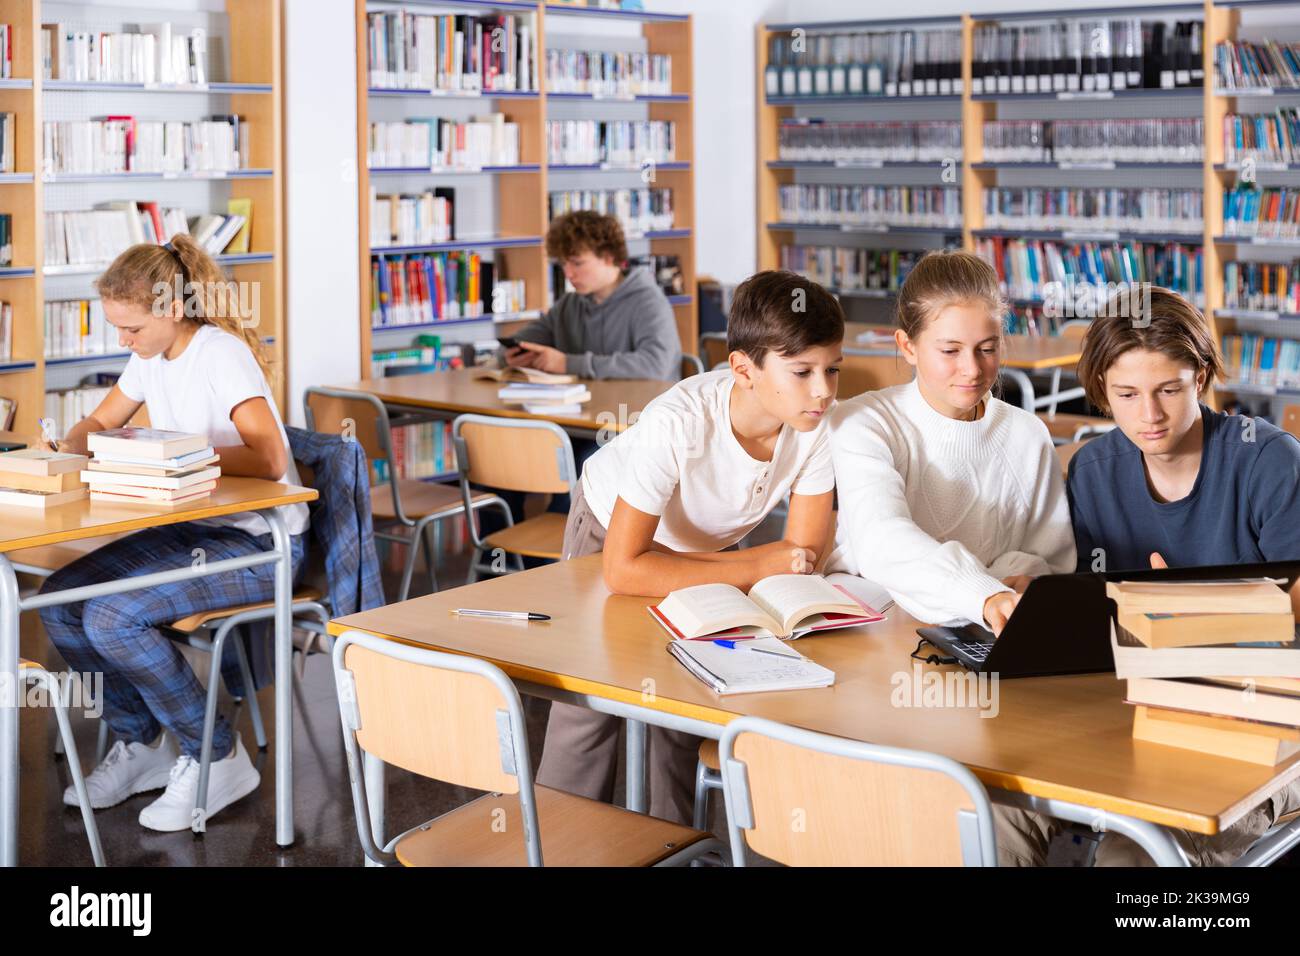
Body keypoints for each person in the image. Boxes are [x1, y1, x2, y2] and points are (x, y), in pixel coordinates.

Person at [537, 270, 843, 823]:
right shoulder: (676, 423)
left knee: (683, 692)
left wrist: (747, 566)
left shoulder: (817, 424)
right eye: (802, 372)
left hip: (710, 553)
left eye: (831, 369)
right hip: (613, 534)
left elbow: (803, 555)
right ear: (744, 370)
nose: (823, 389)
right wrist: (751, 565)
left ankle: (670, 841)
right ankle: (557, 841)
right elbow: (626, 571)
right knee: (590, 704)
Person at [43, 234, 310, 832]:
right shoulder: (149, 356)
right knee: (59, 607)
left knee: (111, 617)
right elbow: (100, 419)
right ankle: (144, 745)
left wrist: (178, 455)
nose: (123, 342)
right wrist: (69, 443)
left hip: (261, 542)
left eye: (130, 329)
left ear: (169, 309)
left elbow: (270, 459)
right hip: (195, 528)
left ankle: (217, 753)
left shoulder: (220, 354)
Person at [825, 249, 1075, 634]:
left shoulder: (1029, 436)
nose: (973, 369)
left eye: (987, 349)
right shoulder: (863, 422)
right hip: (877, 630)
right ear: (907, 346)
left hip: (986, 631)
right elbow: (882, 541)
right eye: (950, 350)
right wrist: (983, 591)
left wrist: (1021, 582)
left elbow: (1049, 562)